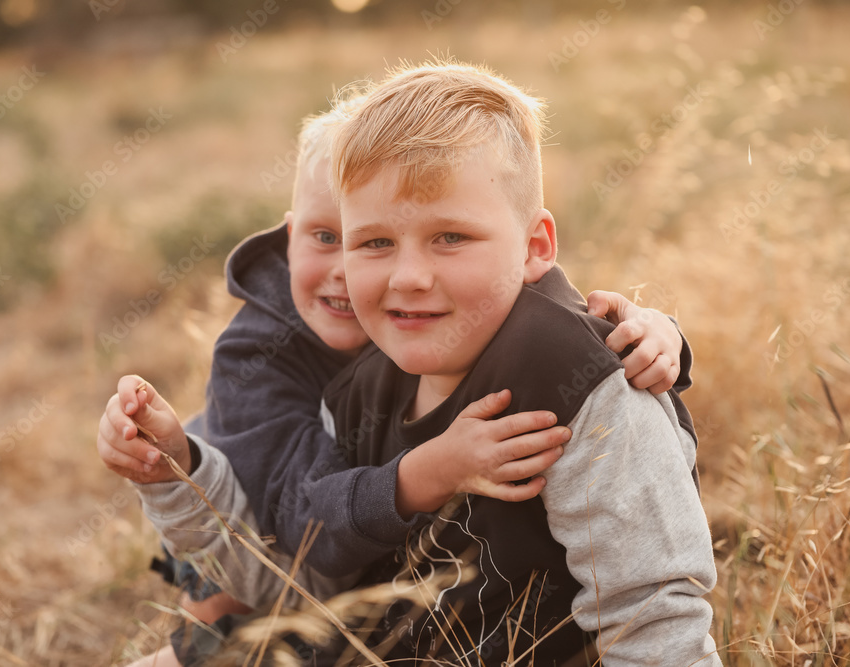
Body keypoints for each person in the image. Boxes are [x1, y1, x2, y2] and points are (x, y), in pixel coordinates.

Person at [96, 97, 693, 667]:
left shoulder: (462, 332)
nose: (401, 276)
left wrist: (653, 333)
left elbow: (531, 294)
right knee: (224, 614)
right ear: (287, 234)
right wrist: (176, 469)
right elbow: (293, 546)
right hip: (254, 512)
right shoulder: (263, 355)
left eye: (448, 237)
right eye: (362, 241)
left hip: (363, 555)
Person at [312, 60, 722, 665]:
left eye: (451, 237)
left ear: (535, 248)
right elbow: (306, 544)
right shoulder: (359, 384)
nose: (409, 277)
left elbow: (653, 610)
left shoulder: (578, 377)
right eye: (375, 242)